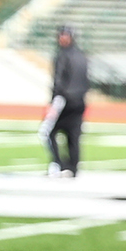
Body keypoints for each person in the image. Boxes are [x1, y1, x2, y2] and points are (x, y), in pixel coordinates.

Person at [44, 25, 88, 177]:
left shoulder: (62, 55)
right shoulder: (82, 55)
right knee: (73, 135)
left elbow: (59, 80)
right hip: (80, 100)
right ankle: (72, 167)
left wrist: (53, 101)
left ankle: (59, 164)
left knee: (47, 131)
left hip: (64, 99)